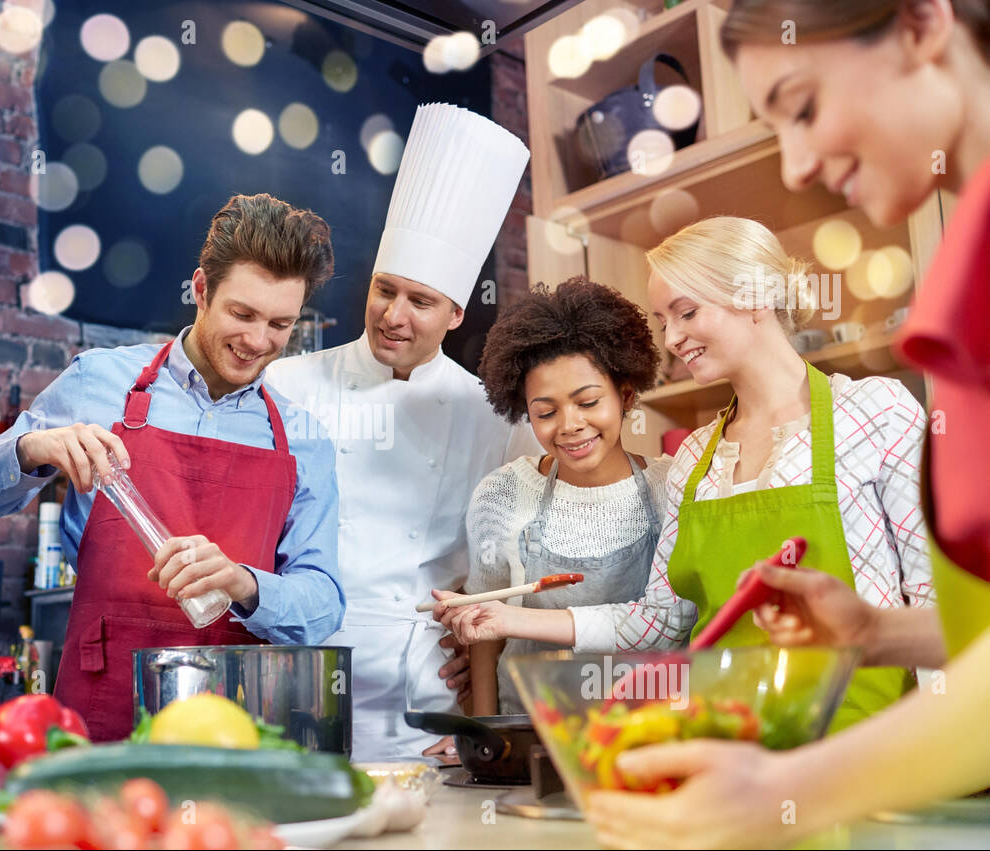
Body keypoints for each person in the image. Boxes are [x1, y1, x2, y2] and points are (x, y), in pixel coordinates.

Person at [583, 0, 990, 848]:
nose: (797, 166)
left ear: (921, 24)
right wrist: (873, 632)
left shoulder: (879, 406)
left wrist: (789, 790)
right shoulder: (961, 298)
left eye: (802, 106)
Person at [437, 215, 933, 732]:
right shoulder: (696, 458)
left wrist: (945, 743)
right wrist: (506, 618)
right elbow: (661, 619)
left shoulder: (876, 413)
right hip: (728, 740)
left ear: (758, 296)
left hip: (868, 739)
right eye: (662, 320)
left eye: (687, 312)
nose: (672, 337)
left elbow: (932, 597)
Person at [0, 193, 344, 742]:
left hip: (233, 725)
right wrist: (30, 451)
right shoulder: (98, 381)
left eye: (280, 324)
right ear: (201, 290)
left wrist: (244, 583)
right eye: (242, 314)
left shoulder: (302, 439)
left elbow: (324, 603)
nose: (258, 341)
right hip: (100, 707)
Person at [266, 103, 538, 760]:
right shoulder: (286, 385)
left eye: (420, 301)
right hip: (299, 688)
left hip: (429, 703)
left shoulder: (497, 414)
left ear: (455, 312)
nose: (393, 315)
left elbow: (526, 567)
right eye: (385, 289)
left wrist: (483, 656)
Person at [453, 277, 669, 715]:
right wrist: (486, 733)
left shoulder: (670, 488)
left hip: (643, 731)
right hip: (529, 727)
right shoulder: (504, 494)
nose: (568, 425)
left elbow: (672, 623)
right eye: (546, 412)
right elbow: (484, 629)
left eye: (588, 402)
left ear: (626, 397)